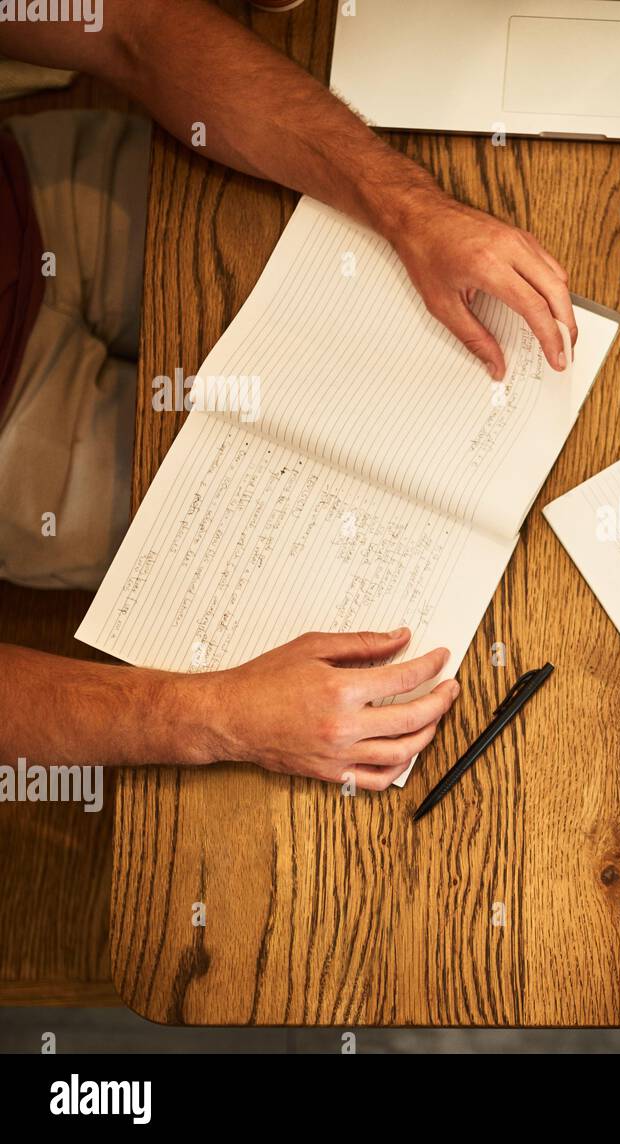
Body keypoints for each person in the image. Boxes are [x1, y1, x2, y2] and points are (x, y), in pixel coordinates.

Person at [0, 2, 578, 787]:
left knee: (351, 286)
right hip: (17, 435)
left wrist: (408, 207)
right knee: (247, 582)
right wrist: (214, 718)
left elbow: (129, 26)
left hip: (34, 195)